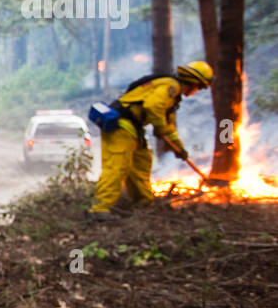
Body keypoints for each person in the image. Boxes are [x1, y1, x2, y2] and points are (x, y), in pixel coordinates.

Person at [87, 61, 214, 221]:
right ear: (193, 82)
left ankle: (144, 204)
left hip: (133, 128)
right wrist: (160, 129)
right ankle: (99, 209)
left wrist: (179, 149)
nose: (197, 91)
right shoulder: (171, 86)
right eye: (199, 87)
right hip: (121, 126)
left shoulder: (173, 96)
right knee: (117, 166)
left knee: (141, 164)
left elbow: (168, 127)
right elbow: (152, 107)